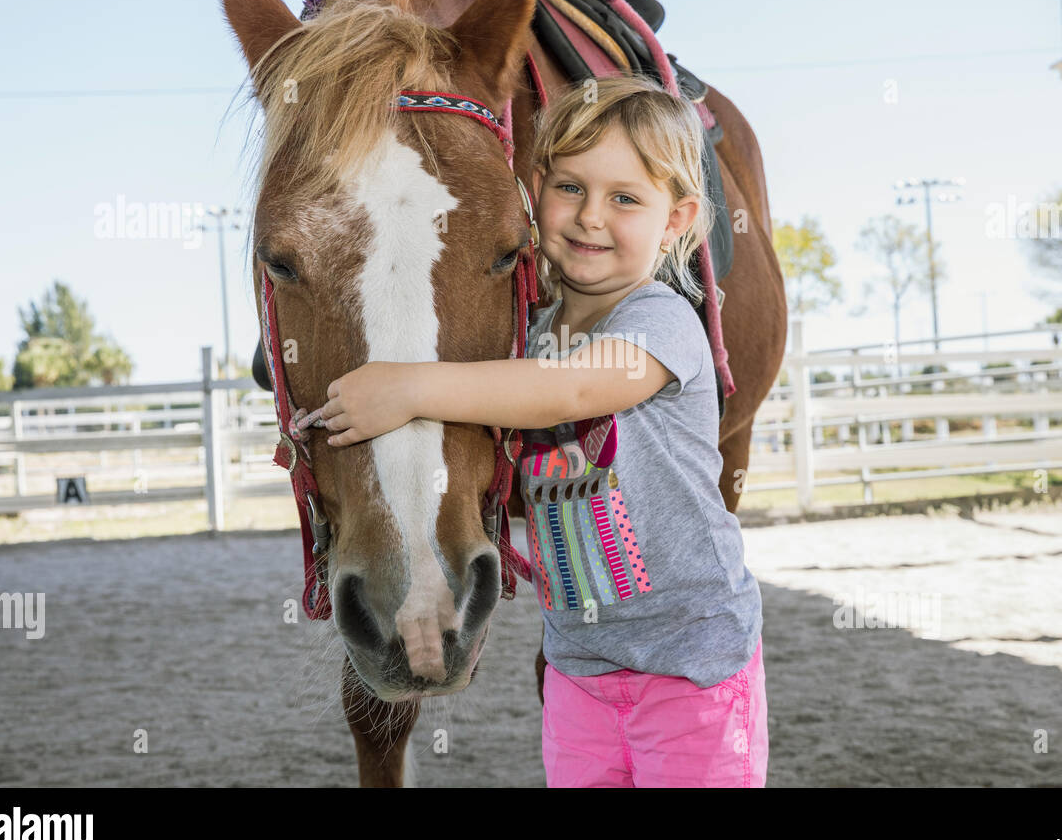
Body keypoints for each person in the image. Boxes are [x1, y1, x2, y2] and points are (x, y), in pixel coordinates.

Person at [320, 74, 767, 787]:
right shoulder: (528, 335)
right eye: (570, 188)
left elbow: (570, 388)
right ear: (535, 192)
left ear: (677, 219)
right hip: (580, 671)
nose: (591, 216)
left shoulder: (663, 322)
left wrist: (407, 386)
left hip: (691, 666)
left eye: (625, 198)